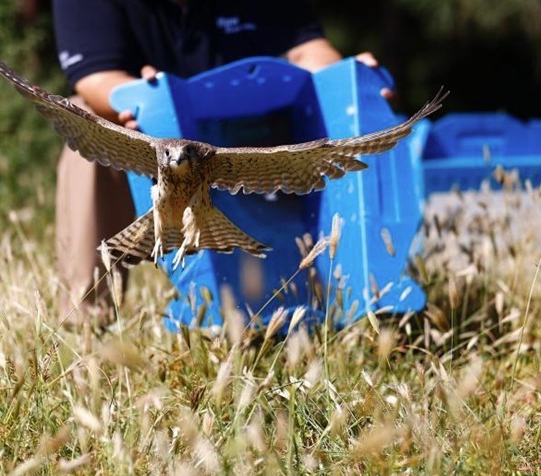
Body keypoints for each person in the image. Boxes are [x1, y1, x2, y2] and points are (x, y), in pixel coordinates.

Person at [50, 0, 387, 320]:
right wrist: (140, 99)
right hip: (151, 135)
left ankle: (348, 297)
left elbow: (305, 48)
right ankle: (89, 317)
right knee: (85, 116)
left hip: (254, 136)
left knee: (344, 112)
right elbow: (94, 77)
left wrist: (349, 77)